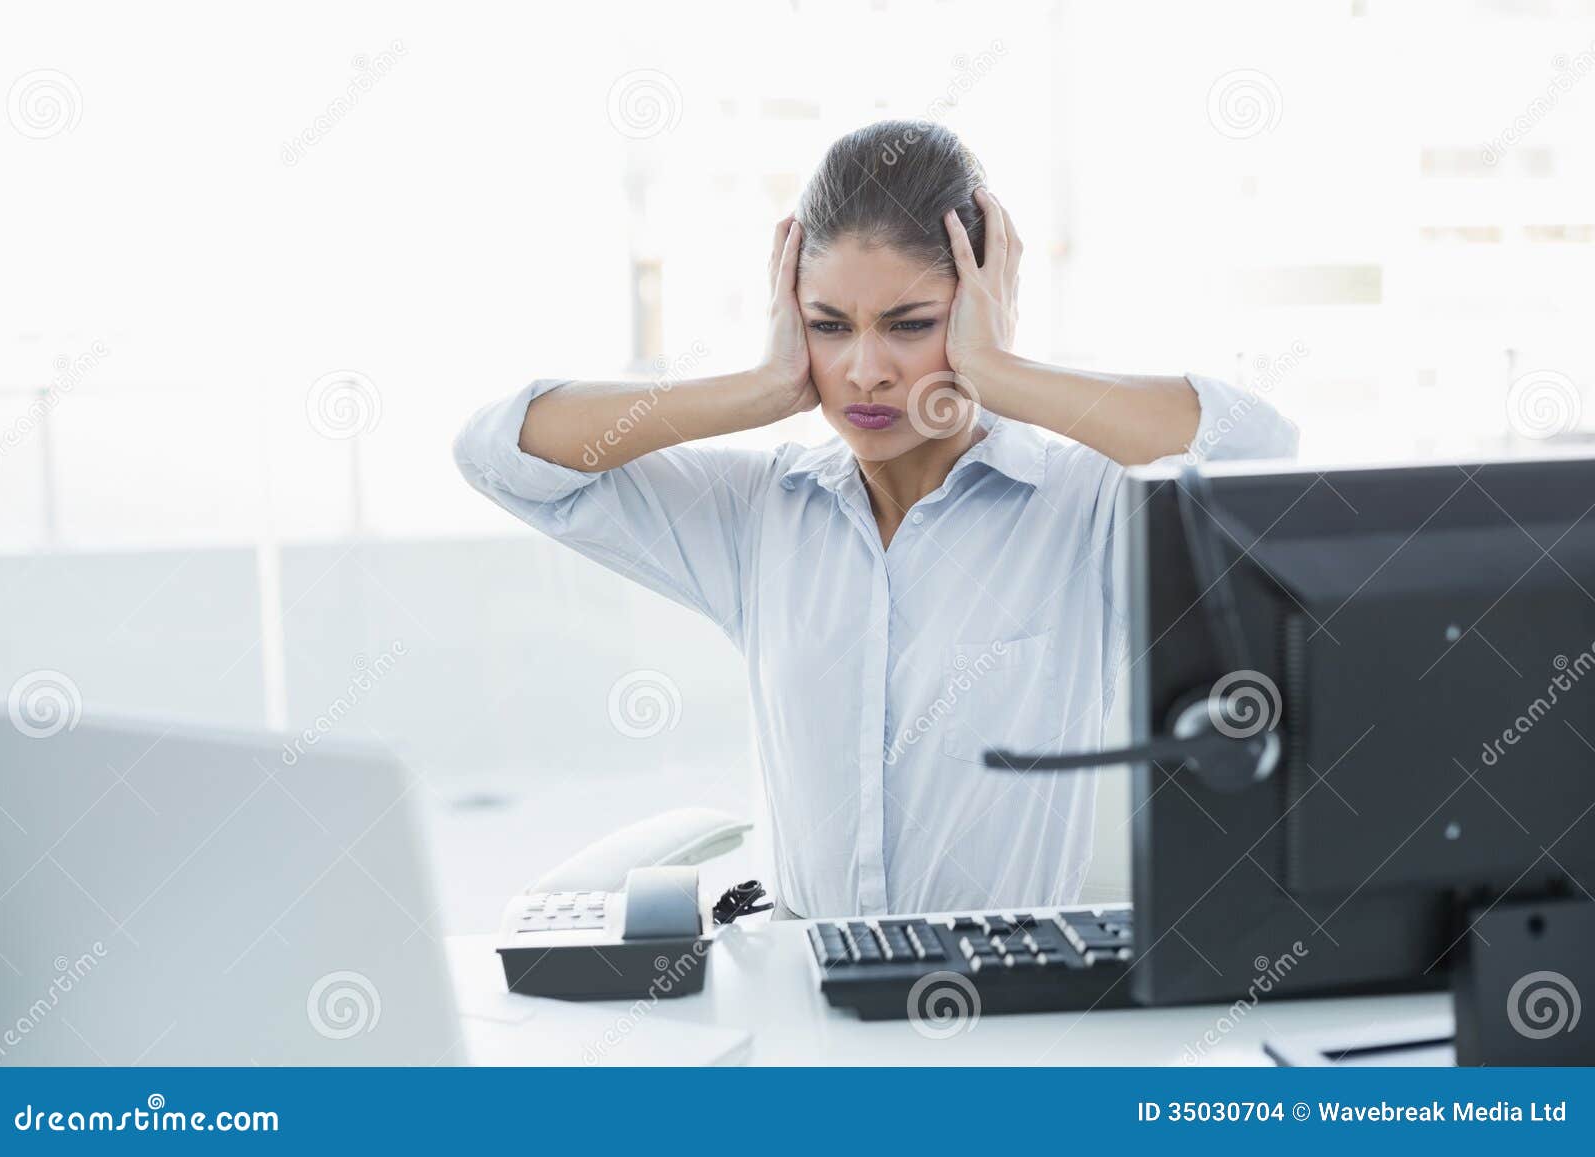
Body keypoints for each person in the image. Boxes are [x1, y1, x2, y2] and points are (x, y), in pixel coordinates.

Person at [453, 120, 1298, 919]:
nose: (864, 370)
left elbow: (1258, 449)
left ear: (979, 307)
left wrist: (997, 369)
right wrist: (759, 389)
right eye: (829, 327)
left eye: (912, 325)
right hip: (808, 997)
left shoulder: (1085, 505)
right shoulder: (760, 514)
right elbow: (501, 454)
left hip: (999, 1009)